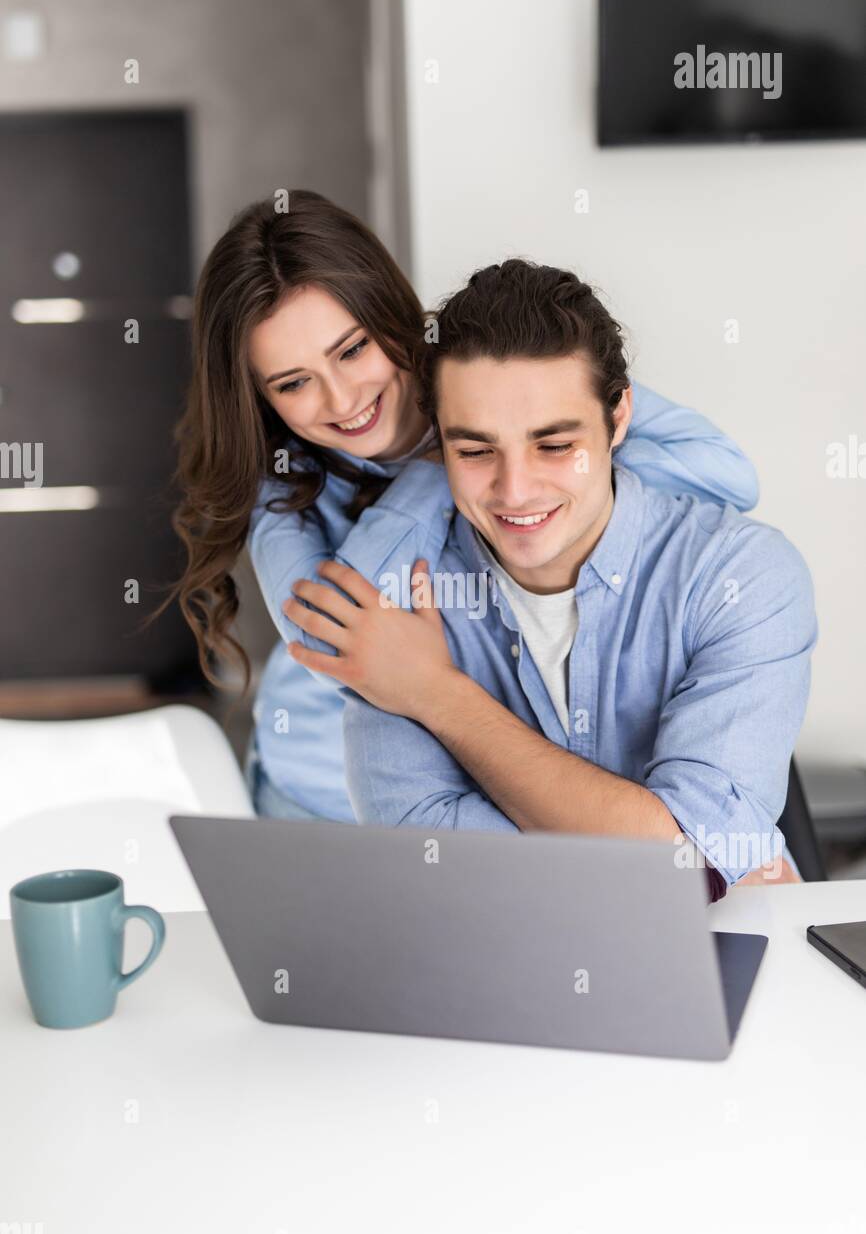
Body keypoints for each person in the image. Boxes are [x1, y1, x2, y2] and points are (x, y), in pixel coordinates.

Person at [171, 191, 758, 824]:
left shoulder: (485, 377)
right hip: (313, 798)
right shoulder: (282, 486)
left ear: (390, 315)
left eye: (352, 350)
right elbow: (336, 648)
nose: (341, 399)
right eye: (292, 383)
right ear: (260, 398)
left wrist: (513, 448)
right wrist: (440, 465)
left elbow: (728, 477)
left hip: (473, 794)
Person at [283, 260, 818, 894]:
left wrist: (436, 693)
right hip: (495, 966)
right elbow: (429, 865)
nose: (515, 490)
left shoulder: (740, 574)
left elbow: (690, 866)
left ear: (618, 417)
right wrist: (663, 843)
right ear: (438, 445)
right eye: (476, 450)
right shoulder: (394, 603)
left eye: (555, 445)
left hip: (732, 960)